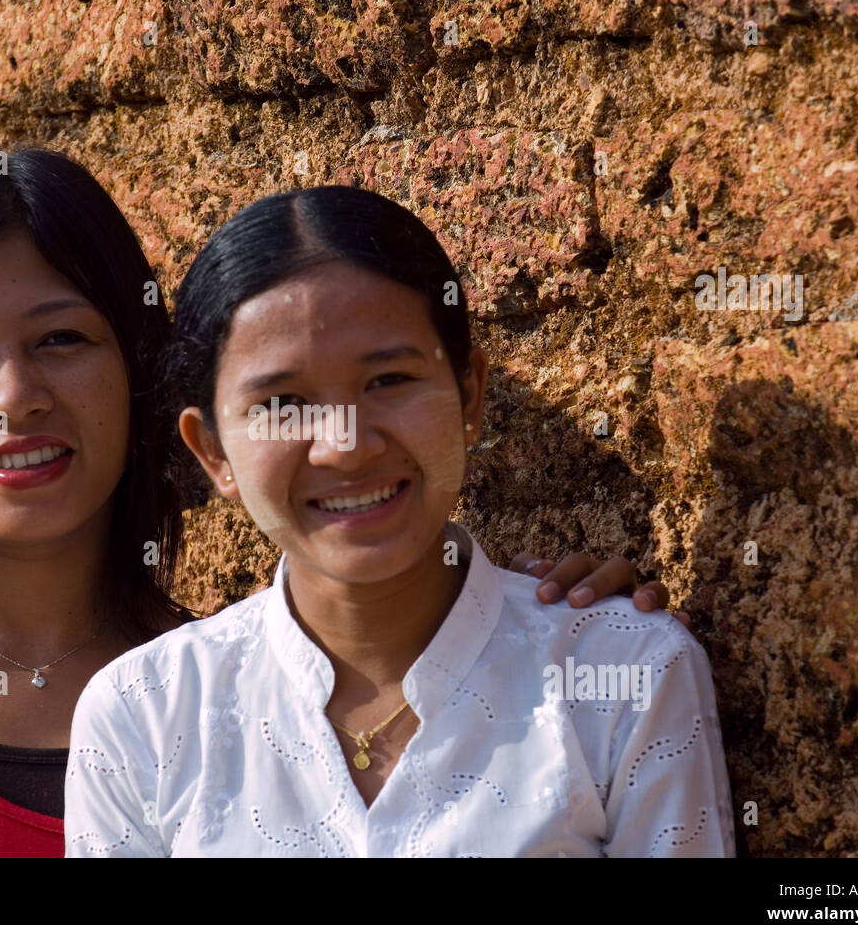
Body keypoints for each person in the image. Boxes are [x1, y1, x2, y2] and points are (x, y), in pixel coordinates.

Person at [0, 149, 689, 858]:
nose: (16, 398)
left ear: (149, 382)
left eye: (63, 339)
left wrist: (548, 635)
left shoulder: (197, 703)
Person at [64, 185, 735, 857]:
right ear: (213, 451)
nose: (346, 445)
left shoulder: (624, 675)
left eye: (387, 381)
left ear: (469, 393)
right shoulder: (142, 717)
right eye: (283, 403)